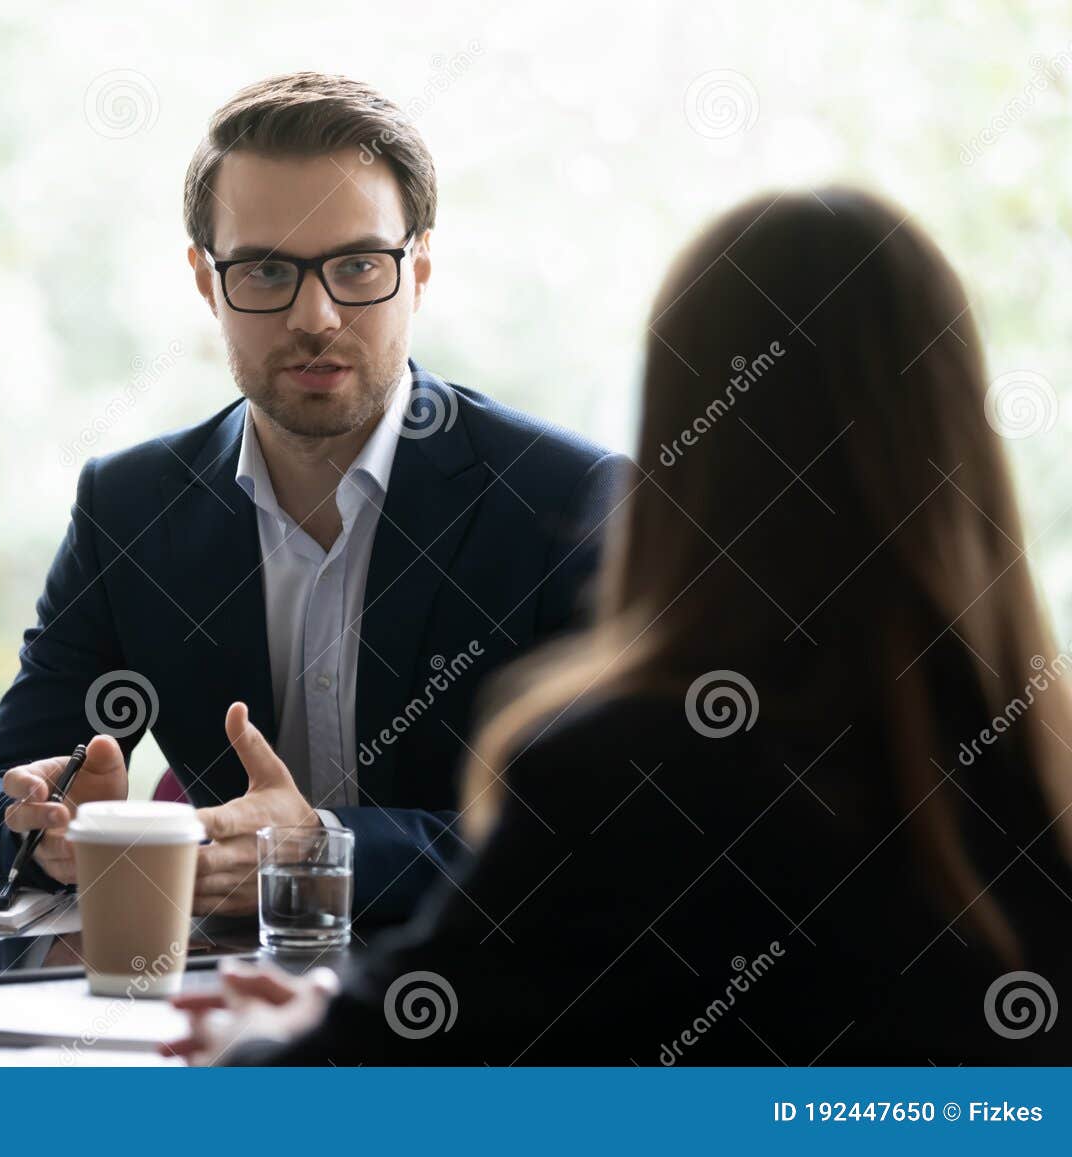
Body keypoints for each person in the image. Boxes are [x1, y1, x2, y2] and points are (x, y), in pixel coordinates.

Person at [164, 188, 1072, 1065]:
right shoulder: (1034, 755)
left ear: (688, 432)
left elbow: (356, 1083)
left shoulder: (622, 770)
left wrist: (253, 1045)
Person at [0, 72, 630, 923]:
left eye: (357, 265)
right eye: (268, 270)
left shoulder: (566, 500)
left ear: (418, 267)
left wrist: (321, 850)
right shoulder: (128, 510)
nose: (316, 316)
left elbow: (608, 834)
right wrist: (45, 828)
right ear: (207, 281)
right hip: (213, 1007)